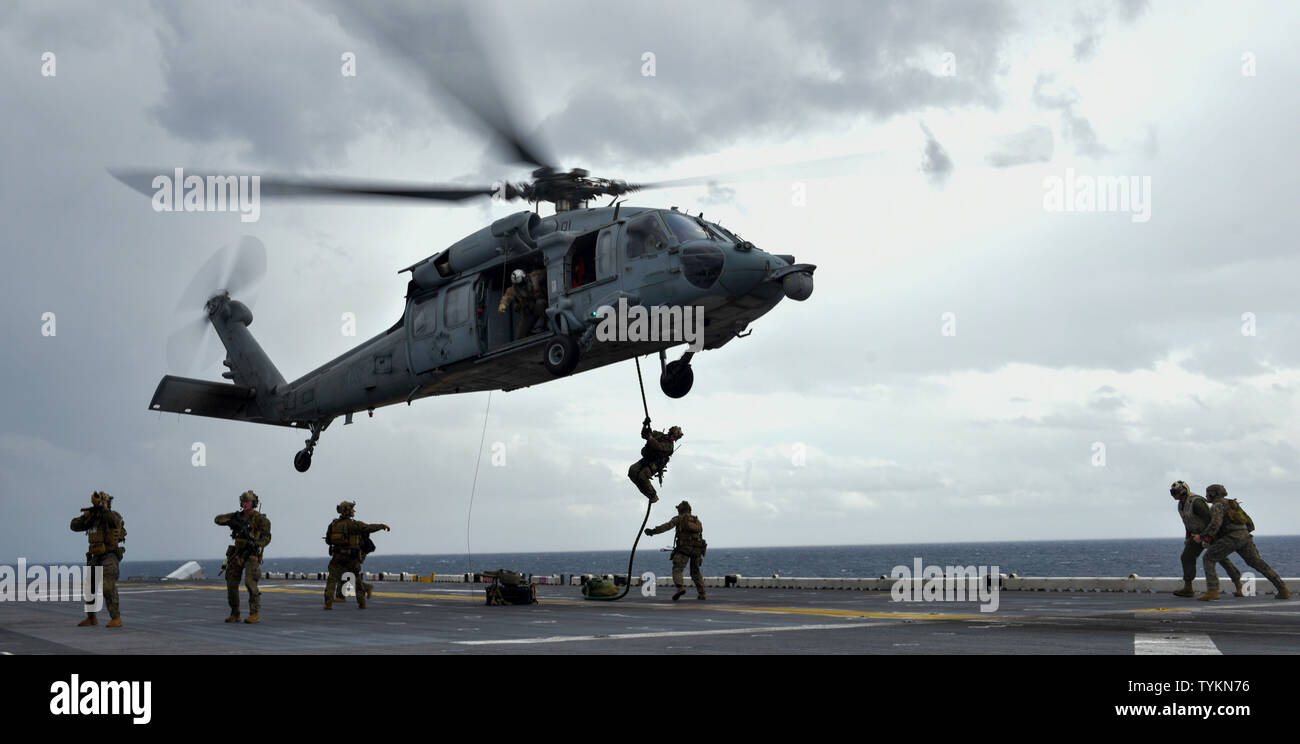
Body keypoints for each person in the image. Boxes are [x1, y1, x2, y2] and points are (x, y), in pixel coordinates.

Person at [1197, 484, 1291, 601]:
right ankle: (1282, 589)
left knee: (1208, 558)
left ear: (1213, 494)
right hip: (1245, 536)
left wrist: (1202, 536)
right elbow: (1250, 523)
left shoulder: (1217, 506)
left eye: (1208, 493)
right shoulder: (1232, 504)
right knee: (1257, 562)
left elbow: (1215, 524)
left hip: (1231, 538)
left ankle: (1212, 591)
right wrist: (1243, 534)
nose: (1206, 496)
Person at [1169, 480, 1242, 598]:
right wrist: (1189, 538)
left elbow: (1210, 519)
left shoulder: (1196, 502)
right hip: (1195, 536)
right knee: (1187, 557)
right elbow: (1188, 522)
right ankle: (1188, 588)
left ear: (1183, 491)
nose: (1174, 495)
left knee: (1222, 559)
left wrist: (1208, 536)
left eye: (1175, 492)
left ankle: (1238, 585)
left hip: (1209, 534)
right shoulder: (1181, 504)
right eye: (1172, 492)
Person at [69, 491, 126, 627]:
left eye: (103, 502)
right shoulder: (93, 517)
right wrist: (87, 517)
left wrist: (104, 509)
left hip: (110, 555)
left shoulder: (113, 516)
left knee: (107, 585)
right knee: (90, 587)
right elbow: (74, 526)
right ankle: (91, 617)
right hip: (95, 556)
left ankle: (116, 618)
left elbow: (113, 521)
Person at [214, 490, 271, 623]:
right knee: (231, 583)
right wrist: (232, 522)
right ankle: (235, 613)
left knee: (250, 583)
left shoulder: (261, 519)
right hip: (237, 554)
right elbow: (218, 519)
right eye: (244, 502)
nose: (245, 504)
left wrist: (256, 543)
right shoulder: (237, 516)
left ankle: (254, 613)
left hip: (251, 554)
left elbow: (266, 538)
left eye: (248, 502)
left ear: (253, 503)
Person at [323, 501, 391, 610]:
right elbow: (368, 528)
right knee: (357, 579)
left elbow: (328, 540)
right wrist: (382, 526)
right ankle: (362, 603)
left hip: (337, 556)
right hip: (352, 558)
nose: (354, 511)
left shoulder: (333, 524)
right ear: (347, 511)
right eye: (352, 509)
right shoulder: (353, 524)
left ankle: (328, 604)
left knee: (332, 580)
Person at [646, 500, 707, 601]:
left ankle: (680, 587)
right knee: (696, 572)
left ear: (680, 510)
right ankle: (702, 593)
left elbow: (666, 526)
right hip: (697, 549)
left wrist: (653, 531)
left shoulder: (679, 518)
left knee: (677, 569)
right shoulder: (697, 521)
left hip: (684, 549)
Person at [627, 418, 682, 503]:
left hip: (656, 463)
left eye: (676, 438)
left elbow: (658, 446)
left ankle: (652, 495)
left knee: (642, 476)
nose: (673, 439)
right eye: (674, 436)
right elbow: (644, 435)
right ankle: (647, 492)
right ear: (670, 433)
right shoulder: (658, 434)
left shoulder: (669, 446)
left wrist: (650, 437)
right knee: (632, 471)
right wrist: (645, 425)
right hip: (647, 458)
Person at [498, 268, 547, 339]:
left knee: (540, 303)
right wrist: (502, 305)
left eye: (522, 283)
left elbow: (547, 271)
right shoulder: (513, 289)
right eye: (518, 284)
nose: (521, 286)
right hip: (529, 312)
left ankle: (545, 324)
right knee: (520, 335)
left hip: (542, 306)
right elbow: (507, 297)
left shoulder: (535, 276)